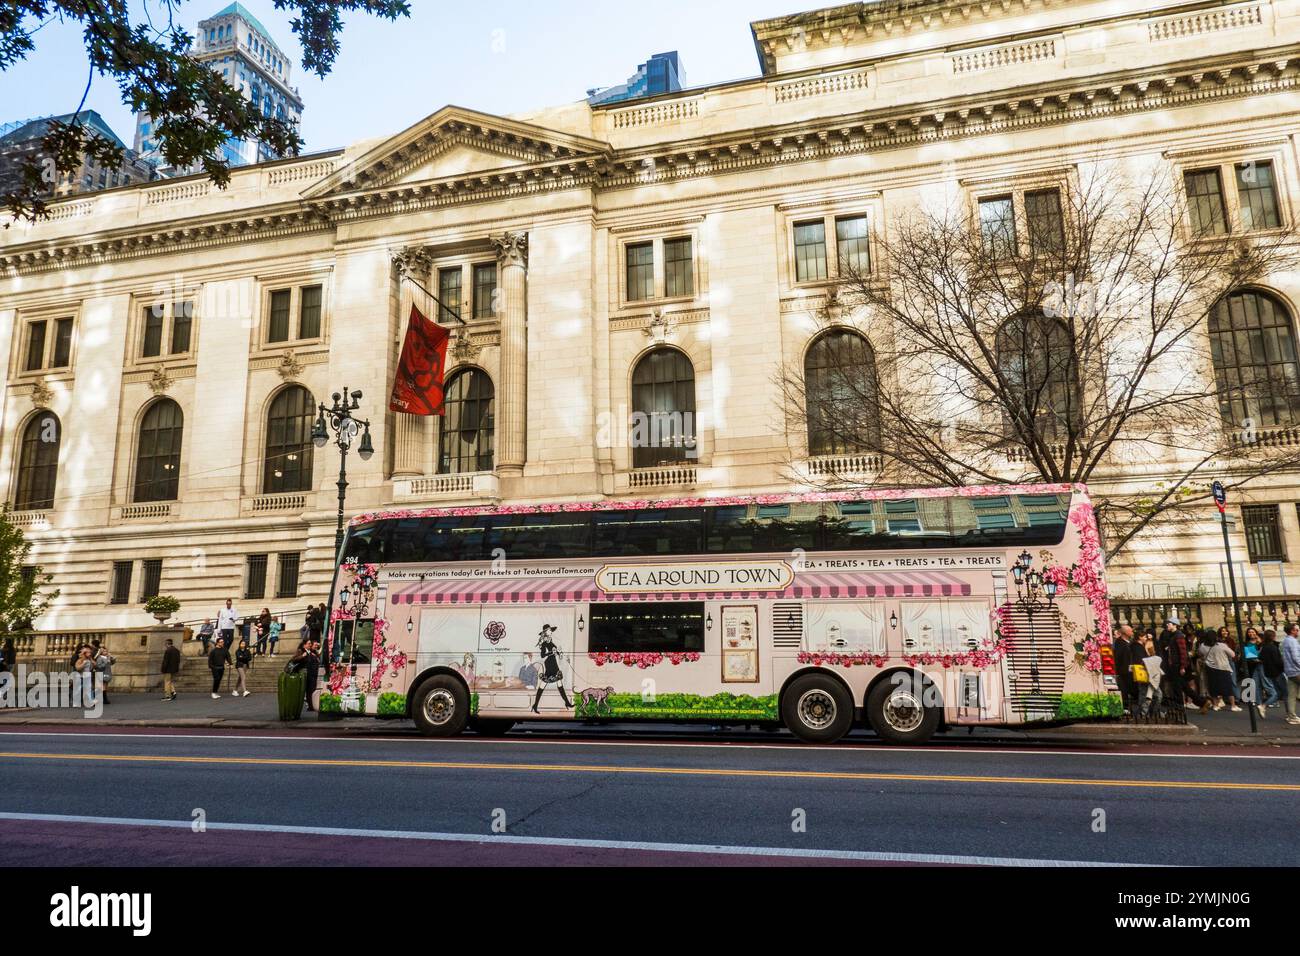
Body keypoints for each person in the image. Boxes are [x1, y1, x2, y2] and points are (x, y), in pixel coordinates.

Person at [531, 625, 573, 713]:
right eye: (549, 630)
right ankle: (535, 705)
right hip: (549, 666)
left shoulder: (551, 642)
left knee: (560, 684)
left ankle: (567, 702)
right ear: (545, 632)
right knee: (542, 686)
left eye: (551, 630)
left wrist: (560, 653)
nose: (551, 632)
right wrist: (551, 652)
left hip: (555, 665)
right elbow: (543, 655)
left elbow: (557, 653)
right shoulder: (544, 644)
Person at [1199, 631, 1240, 712]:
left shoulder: (1202, 646)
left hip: (1210, 668)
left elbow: (1200, 654)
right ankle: (1233, 705)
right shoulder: (1221, 645)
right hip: (1223, 667)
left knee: (1213, 687)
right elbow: (1232, 654)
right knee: (1228, 687)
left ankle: (1215, 705)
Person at [1242, 627, 1266, 717]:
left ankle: (1259, 700)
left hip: (1260, 664)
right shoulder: (1246, 644)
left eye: (1253, 632)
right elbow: (1248, 656)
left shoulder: (1260, 642)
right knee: (1253, 682)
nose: (1251, 634)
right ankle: (1254, 699)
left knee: (1261, 683)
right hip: (1251, 664)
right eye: (1249, 632)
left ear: (1256, 633)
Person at [1139, 634, 1164, 719]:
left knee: (1158, 696)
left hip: (1153, 679)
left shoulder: (1156, 658)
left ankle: (1153, 712)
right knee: (1146, 698)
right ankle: (1144, 714)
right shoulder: (1144, 657)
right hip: (1145, 680)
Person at [1113, 624, 1137, 711]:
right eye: (1130, 630)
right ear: (1126, 633)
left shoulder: (1127, 643)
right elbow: (1119, 658)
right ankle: (1125, 708)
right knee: (1124, 689)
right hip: (1123, 672)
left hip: (1128, 671)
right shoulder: (1120, 644)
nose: (1132, 632)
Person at [1261, 629, 1286, 710]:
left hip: (1269, 673)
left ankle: (1264, 705)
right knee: (1285, 693)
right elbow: (1277, 661)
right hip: (1277, 672)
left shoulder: (1264, 647)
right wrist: (1284, 668)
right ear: (1272, 637)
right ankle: (1290, 714)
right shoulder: (1273, 647)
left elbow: (1260, 657)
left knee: (1278, 692)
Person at [1282, 624, 1300, 725]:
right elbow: (1295, 657)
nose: (1298, 631)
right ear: (1292, 631)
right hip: (1297, 671)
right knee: (1292, 695)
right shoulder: (1292, 641)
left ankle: (1291, 716)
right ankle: (1292, 716)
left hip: (1290, 671)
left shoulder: (1285, 640)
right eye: (1297, 630)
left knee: (1291, 695)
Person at [304, 639, 321, 711]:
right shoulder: (310, 653)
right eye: (315, 645)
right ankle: (310, 705)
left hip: (314, 674)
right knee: (310, 690)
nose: (316, 646)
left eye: (317, 645)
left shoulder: (315, 653)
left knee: (312, 690)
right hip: (311, 674)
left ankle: (311, 705)